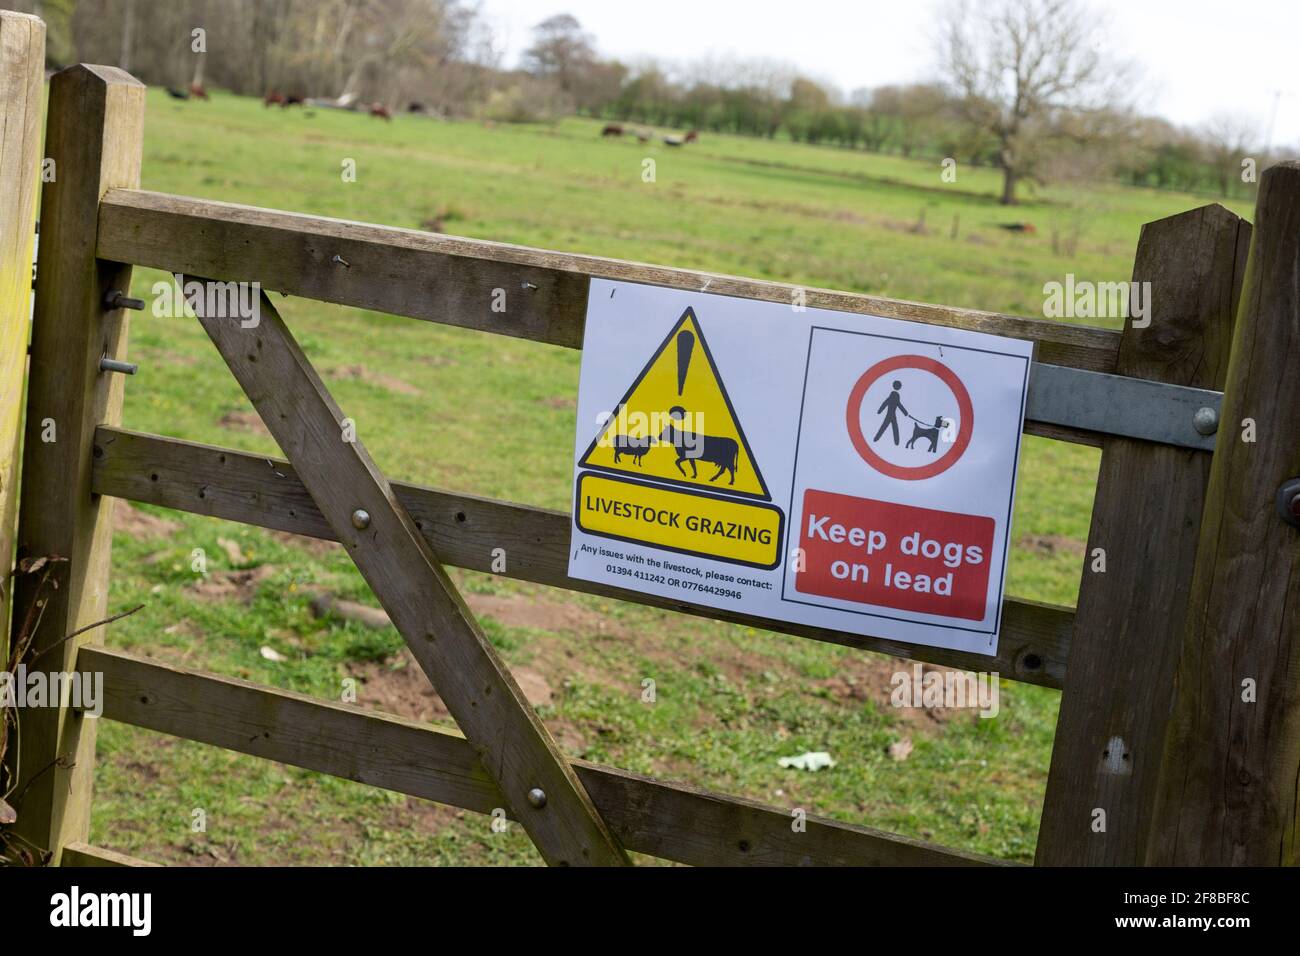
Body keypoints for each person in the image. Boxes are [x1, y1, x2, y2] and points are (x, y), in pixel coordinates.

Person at [873, 380, 908, 445]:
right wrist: (905, 413)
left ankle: (877, 439)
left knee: (886, 427)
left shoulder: (894, 395)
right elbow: (898, 404)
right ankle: (896, 442)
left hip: (890, 414)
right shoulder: (895, 395)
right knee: (892, 427)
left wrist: (880, 411)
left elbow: (887, 403)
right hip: (891, 415)